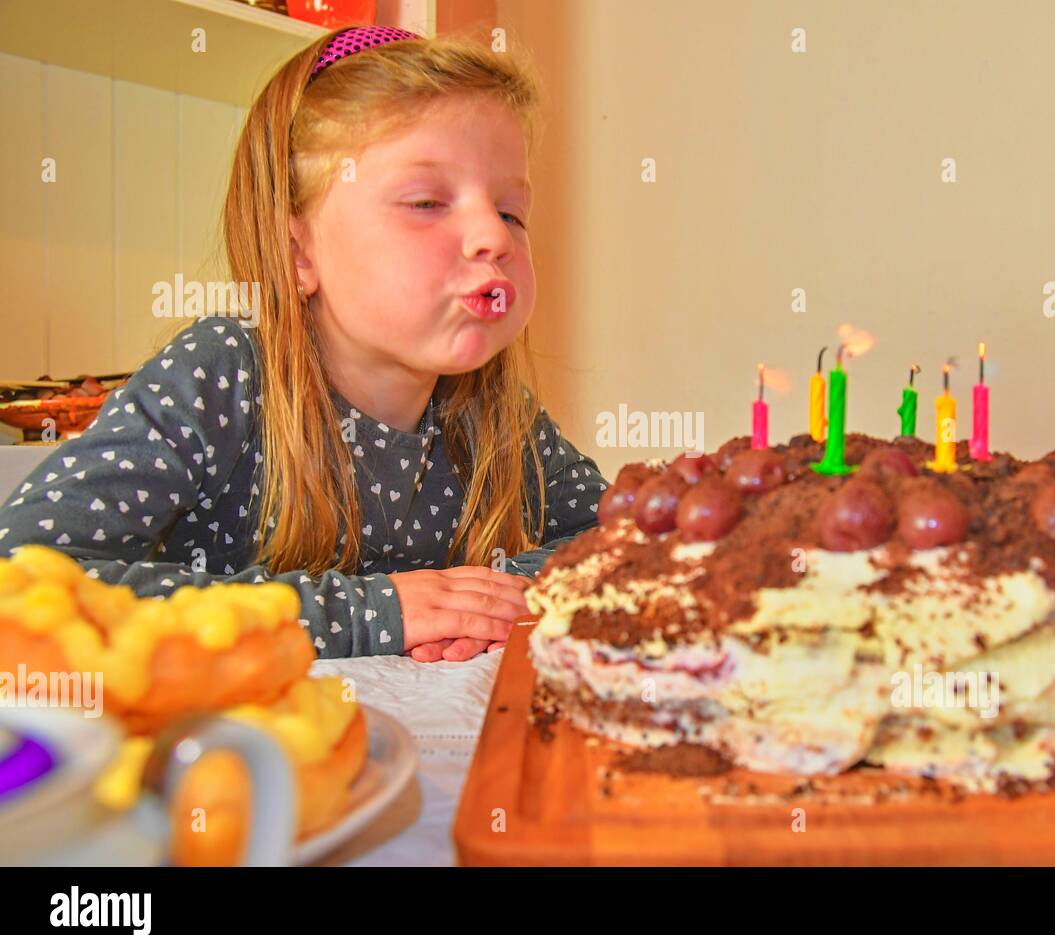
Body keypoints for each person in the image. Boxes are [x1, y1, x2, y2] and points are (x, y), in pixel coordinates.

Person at [0, 27, 607, 663]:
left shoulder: (494, 408)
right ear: (298, 253)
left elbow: (615, 539)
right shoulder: (222, 374)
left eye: (511, 211)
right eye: (427, 202)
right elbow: (26, 581)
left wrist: (502, 594)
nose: (494, 236)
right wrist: (373, 613)